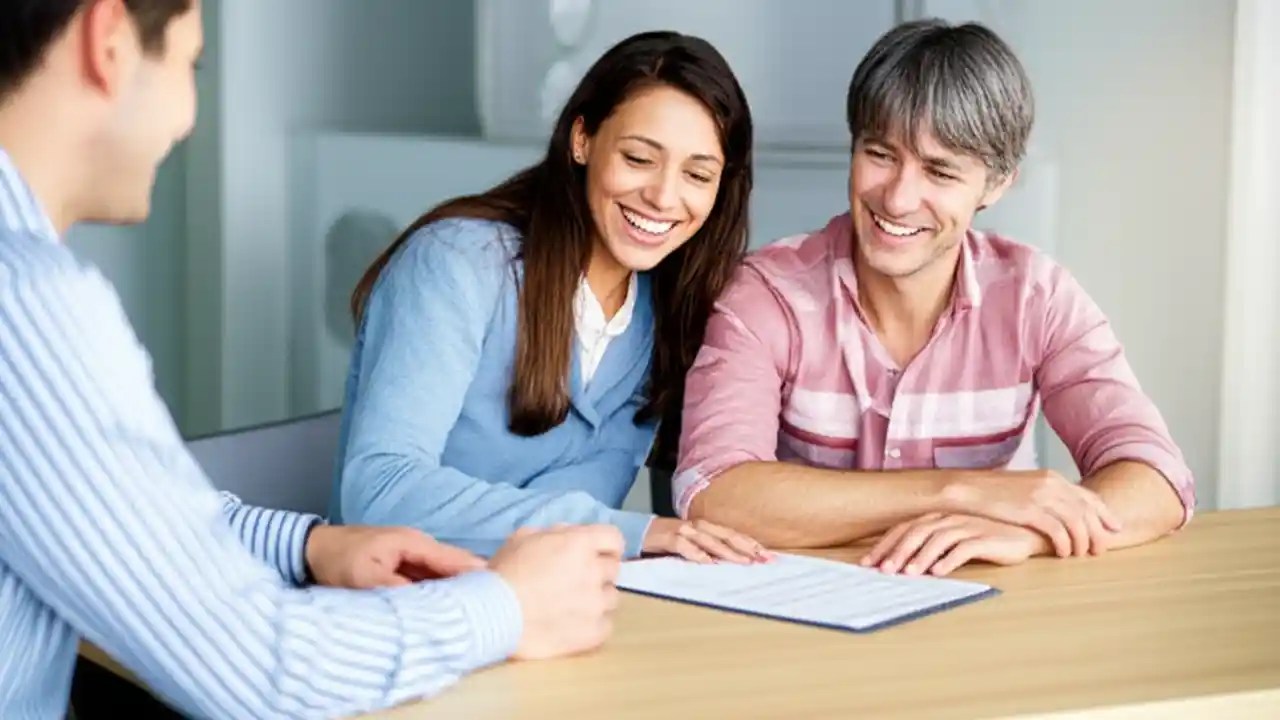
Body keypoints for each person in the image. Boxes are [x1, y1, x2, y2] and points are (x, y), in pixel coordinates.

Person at [0, 2, 622, 718]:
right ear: (107, 41)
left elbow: (122, 516)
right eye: (188, 64)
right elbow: (254, 666)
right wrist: (506, 606)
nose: (188, 117)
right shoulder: (26, 302)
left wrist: (308, 546)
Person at [673, 19, 1195, 577]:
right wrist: (961, 492)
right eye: (880, 154)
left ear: (996, 185)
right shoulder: (767, 294)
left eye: (940, 171)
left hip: (990, 607)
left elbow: (1158, 479)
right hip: (804, 610)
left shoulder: (1037, 297)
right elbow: (713, 494)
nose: (899, 199)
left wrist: (1029, 534)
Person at [332, 30, 768, 565]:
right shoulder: (456, 263)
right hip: (400, 595)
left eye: (697, 174)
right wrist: (631, 531)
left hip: (534, 595)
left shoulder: (660, 314)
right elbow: (381, 492)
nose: (663, 197)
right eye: (638, 158)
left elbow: (573, 507)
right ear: (582, 140)